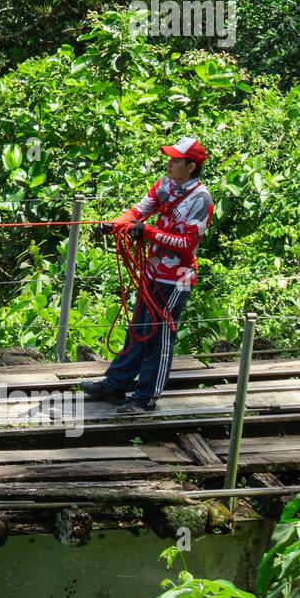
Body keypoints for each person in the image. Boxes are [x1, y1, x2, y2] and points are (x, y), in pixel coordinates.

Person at [82, 137, 214, 413]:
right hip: (152, 271)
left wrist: (147, 232)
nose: (169, 163)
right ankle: (116, 384)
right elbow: (139, 210)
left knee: (159, 337)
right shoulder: (165, 185)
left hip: (176, 278)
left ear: (190, 167)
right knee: (139, 331)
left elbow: (187, 244)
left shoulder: (201, 199)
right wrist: (115, 225)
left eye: (175, 161)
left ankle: (145, 399)